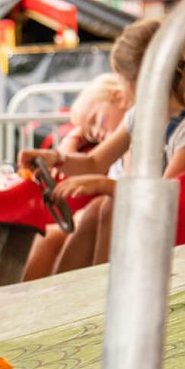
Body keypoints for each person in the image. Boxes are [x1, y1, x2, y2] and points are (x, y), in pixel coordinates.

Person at [19, 17, 185, 275]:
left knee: (111, 205)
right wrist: (55, 158)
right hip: (152, 225)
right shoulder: (141, 115)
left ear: (145, 77)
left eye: (121, 77)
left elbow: (161, 197)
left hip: (180, 230)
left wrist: (102, 184)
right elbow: (95, 162)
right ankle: (67, 297)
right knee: (101, 207)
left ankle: (101, 295)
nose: (119, 85)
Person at [20, 73, 128, 281]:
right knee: (48, 236)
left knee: (100, 209)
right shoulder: (117, 143)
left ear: (120, 96)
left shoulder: (135, 134)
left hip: (127, 215)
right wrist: (74, 136)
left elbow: (96, 165)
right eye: (91, 132)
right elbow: (93, 160)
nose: (97, 133)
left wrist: (100, 185)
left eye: (98, 121)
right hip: (116, 211)